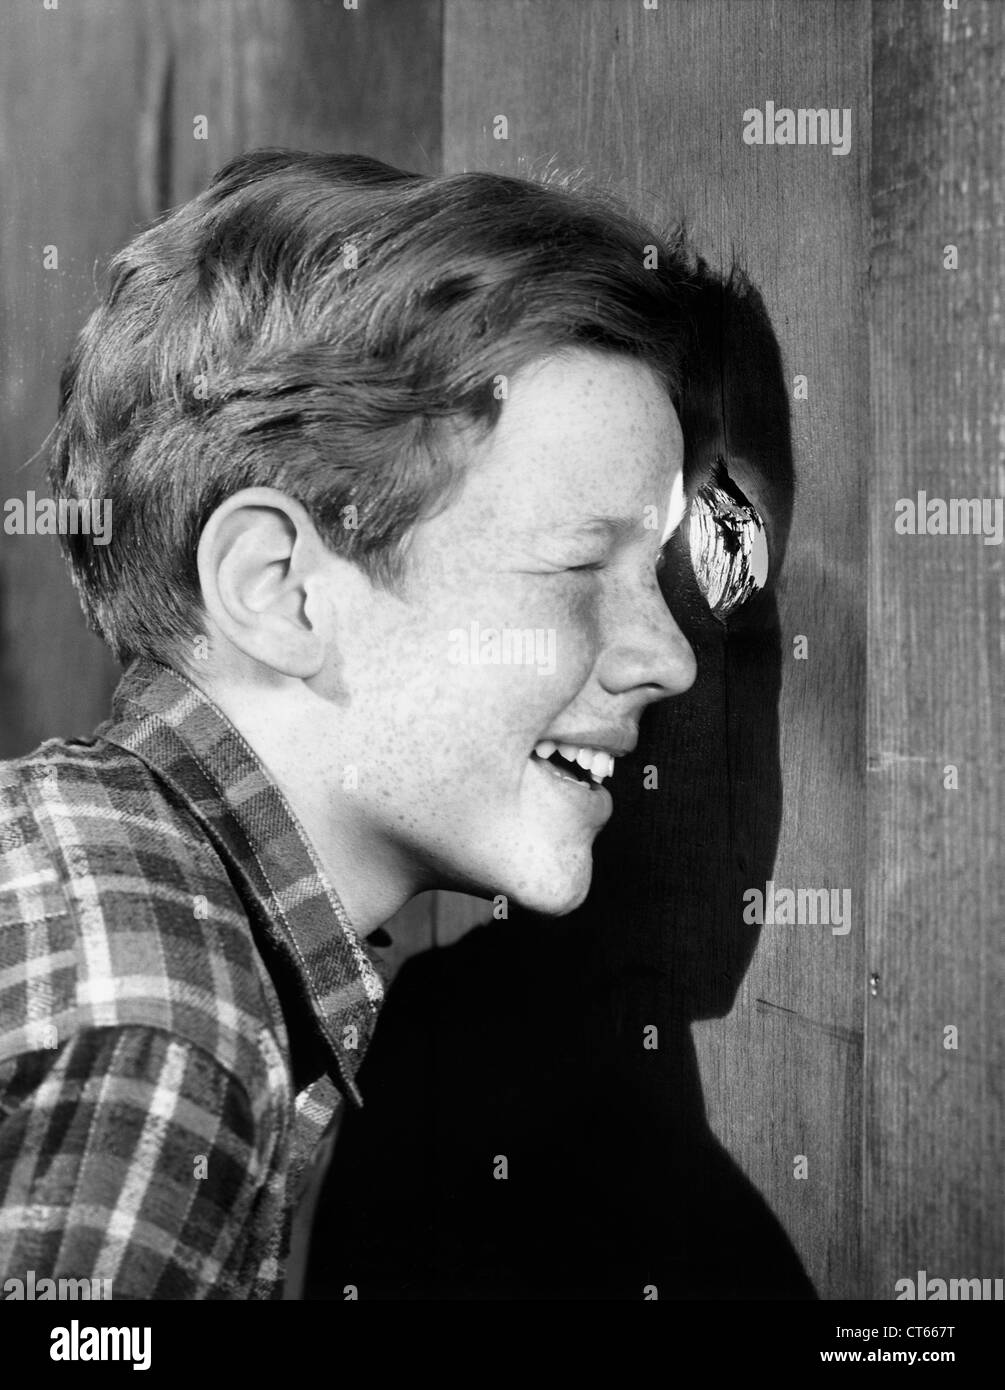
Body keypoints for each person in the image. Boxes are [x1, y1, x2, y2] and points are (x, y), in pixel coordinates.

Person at [0, 148, 710, 1298]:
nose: (668, 658)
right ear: (281, 587)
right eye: (583, 565)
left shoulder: (84, 870)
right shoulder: (165, 1020)